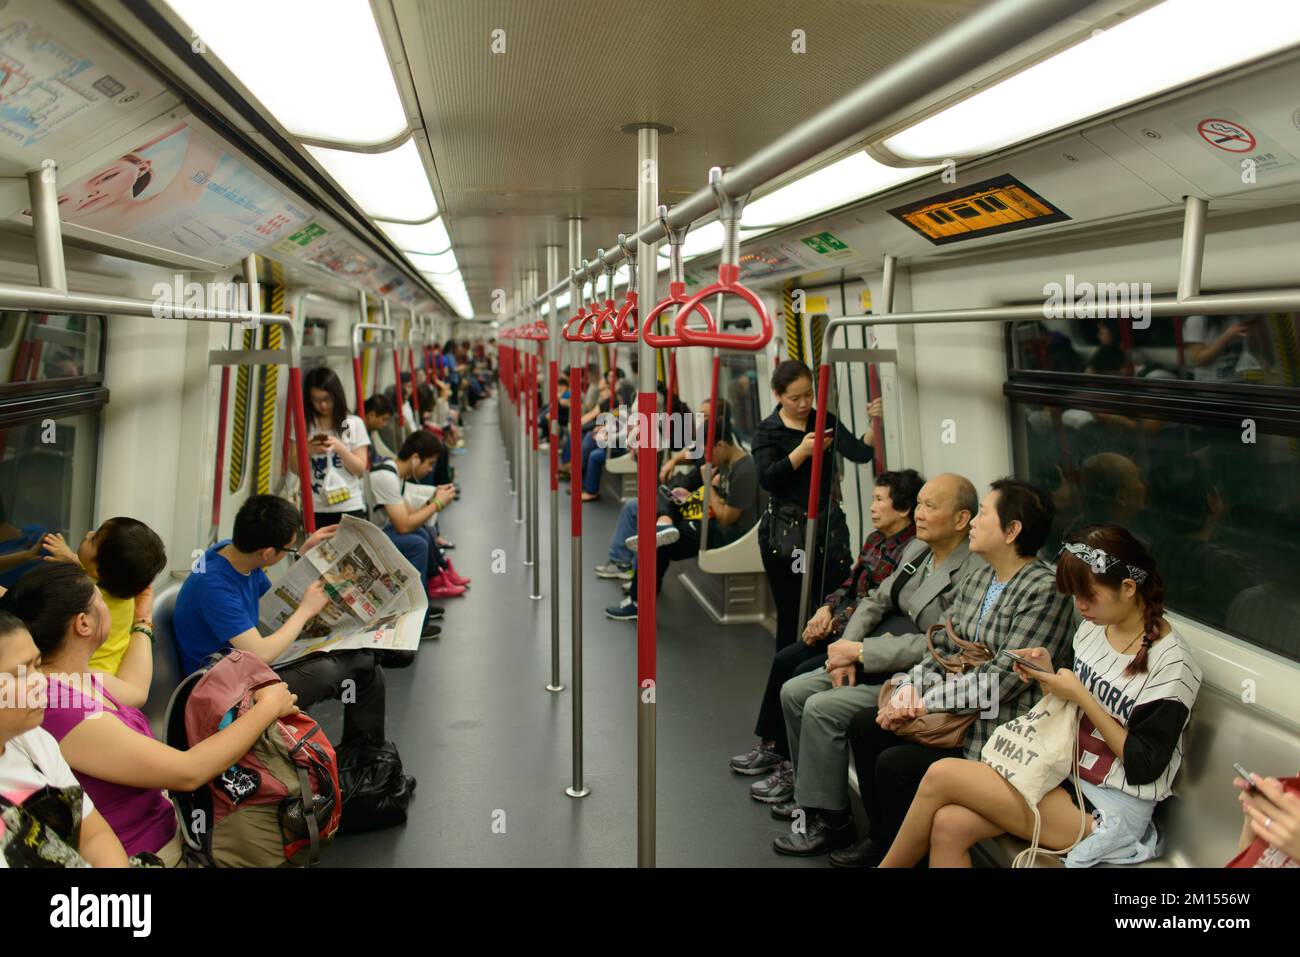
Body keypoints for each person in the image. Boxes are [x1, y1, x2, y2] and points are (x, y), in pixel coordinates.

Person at [776, 478, 1074, 861]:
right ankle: (883, 838)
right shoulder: (981, 576)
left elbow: (1000, 680)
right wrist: (906, 690)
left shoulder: (1043, 590)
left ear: (1012, 530)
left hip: (994, 728)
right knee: (867, 725)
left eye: (983, 515)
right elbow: (942, 644)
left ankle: (899, 852)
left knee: (894, 762)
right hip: (953, 705)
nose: (974, 524)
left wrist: (925, 702)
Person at [878, 525, 1202, 868]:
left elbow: (1143, 765)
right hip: (1062, 775)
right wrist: (1048, 675)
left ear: (1127, 587)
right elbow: (1074, 706)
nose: (1080, 607)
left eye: (1087, 596)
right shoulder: (1095, 629)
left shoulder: (1172, 664)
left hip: (1108, 807)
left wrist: (1079, 695)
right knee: (949, 825)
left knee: (941, 775)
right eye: (1074, 596)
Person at [4, 563, 299, 865]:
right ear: (83, 624)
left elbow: (136, 690)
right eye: (100, 602)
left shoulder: (76, 678)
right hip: (151, 850)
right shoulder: (60, 706)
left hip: (170, 826)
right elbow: (189, 771)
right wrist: (268, 707)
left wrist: (142, 619)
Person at [742, 474, 981, 812]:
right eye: (919, 505)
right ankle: (804, 785)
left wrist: (863, 652)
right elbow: (876, 600)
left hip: (917, 672)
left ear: (961, 519)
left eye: (930, 506)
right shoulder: (919, 550)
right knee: (793, 691)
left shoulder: (973, 570)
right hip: (876, 651)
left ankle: (828, 816)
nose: (919, 514)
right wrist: (846, 651)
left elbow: (944, 643)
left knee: (819, 706)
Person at [171, 495, 389, 752]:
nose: (292, 550)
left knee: (369, 671)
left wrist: (305, 559)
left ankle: (365, 759)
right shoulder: (214, 586)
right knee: (337, 670)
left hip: (242, 668)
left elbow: (274, 604)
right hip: (224, 690)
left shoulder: (234, 554)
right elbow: (260, 653)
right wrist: (305, 611)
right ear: (267, 553)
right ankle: (365, 761)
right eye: (289, 548)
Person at [753, 360, 880, 651]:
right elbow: (768, 479)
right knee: (793, 610)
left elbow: (859, 453)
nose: (803, 403)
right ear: (778, 396)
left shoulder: (824, 420)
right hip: (787, 533)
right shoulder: (768, 431)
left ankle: (825, 664)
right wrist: (803, 452)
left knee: (830, 602)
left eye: (808, 395)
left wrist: (875, 425)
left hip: (825, 528)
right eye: (794, 398)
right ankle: (788, 671)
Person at [0, 611, 130, 868]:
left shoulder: (33, 740)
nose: (41, 682)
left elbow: (94, 836)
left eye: (37, 665)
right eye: (20, 674)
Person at [605, 411, 758, 621]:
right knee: (664, 496)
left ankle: (638, 602)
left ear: (720, 445)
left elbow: (726, 518)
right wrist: (692, 496)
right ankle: (663, 524)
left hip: (723, 533)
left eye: (706, 449)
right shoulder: (724, 463)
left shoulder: (745, 472)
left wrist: (707, 486)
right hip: (708, 519)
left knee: (657, 544)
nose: (703, 456)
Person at [38, 518, 165, 696]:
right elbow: (93, 571)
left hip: (83, 681)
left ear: (98, 569)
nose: (88, 533)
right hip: (111, 678)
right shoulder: (124, 590)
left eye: (94, 538)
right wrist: (69, 556)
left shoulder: (81, 595)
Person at [370, 431, 465, 606]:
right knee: (418, 543)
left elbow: (411, 517)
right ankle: (419, 608)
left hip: (383, 529)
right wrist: (437, 504)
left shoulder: (395, 476)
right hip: (372, 535)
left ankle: (436, 577)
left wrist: (432, 499)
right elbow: (403, 526)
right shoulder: (386, 477)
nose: (430, 470)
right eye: (430, 463)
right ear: (415, 458)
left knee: (426, 531)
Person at [291, 367, 370, 530]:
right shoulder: (304, 425)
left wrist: (339, 448)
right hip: (314, 506)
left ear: (337, 396)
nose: (323, 405)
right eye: (316, 400)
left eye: (327, 398)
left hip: (348, 505)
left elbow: (360, 469)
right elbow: (295, 468)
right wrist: (307, 451)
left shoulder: (349, 424)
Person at [363, 394, 396, 464]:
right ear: (371, 415)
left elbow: (375, 457)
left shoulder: (369, 432)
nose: (385, 424)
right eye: (384, 419)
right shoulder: (359, 433)